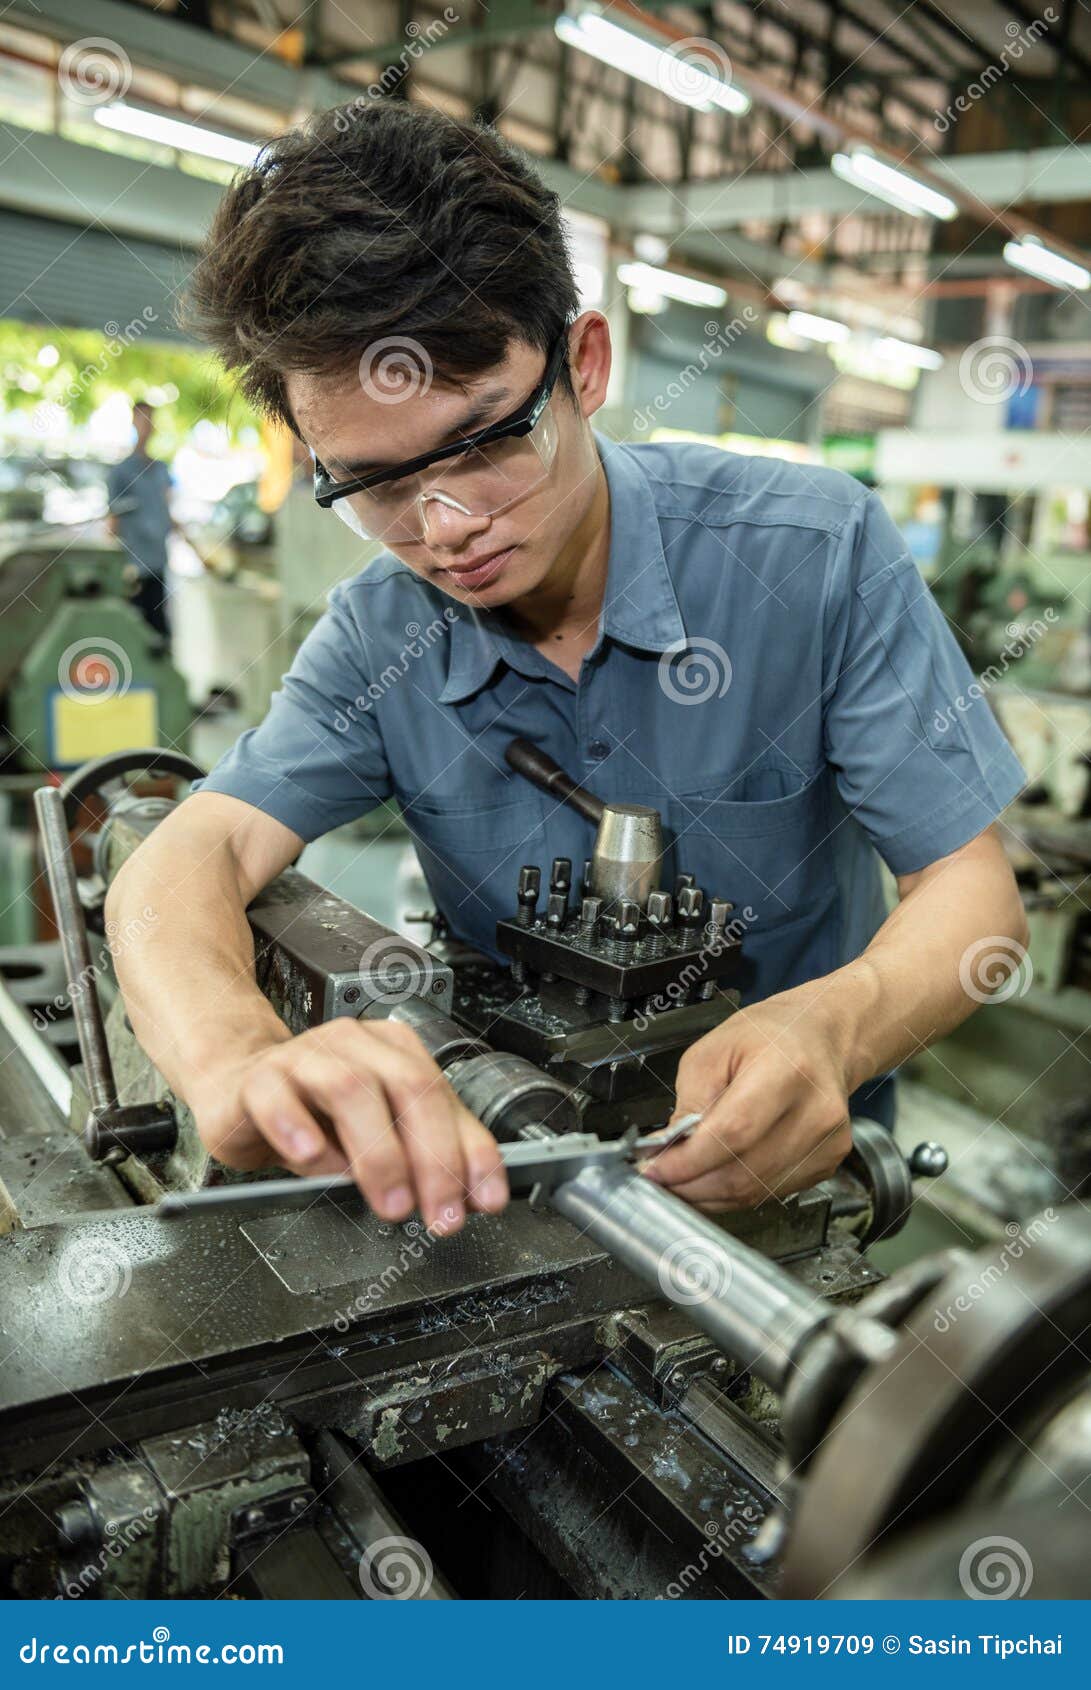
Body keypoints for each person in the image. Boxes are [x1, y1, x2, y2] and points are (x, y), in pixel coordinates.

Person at [106, 102, 1028, 1237]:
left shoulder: (813, 553)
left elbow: (971, 895)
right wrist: (234, 1057)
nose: (444, 527)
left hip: (784, 1193)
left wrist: (832, 1030)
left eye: (482, 442)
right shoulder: (377, 635)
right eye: (374, 487)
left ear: (582, 366)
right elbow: (181, 861)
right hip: (503, 1203)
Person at [106, 401, 173, 638]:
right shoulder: (120, 473)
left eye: (150, 420)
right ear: (134, 422)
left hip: (157, 563)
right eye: (142, 419)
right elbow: (113, 522)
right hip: (133, 568)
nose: (147, 426)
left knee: (160, 632)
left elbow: (167, 512)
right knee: (134, 632)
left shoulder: (161, 470)